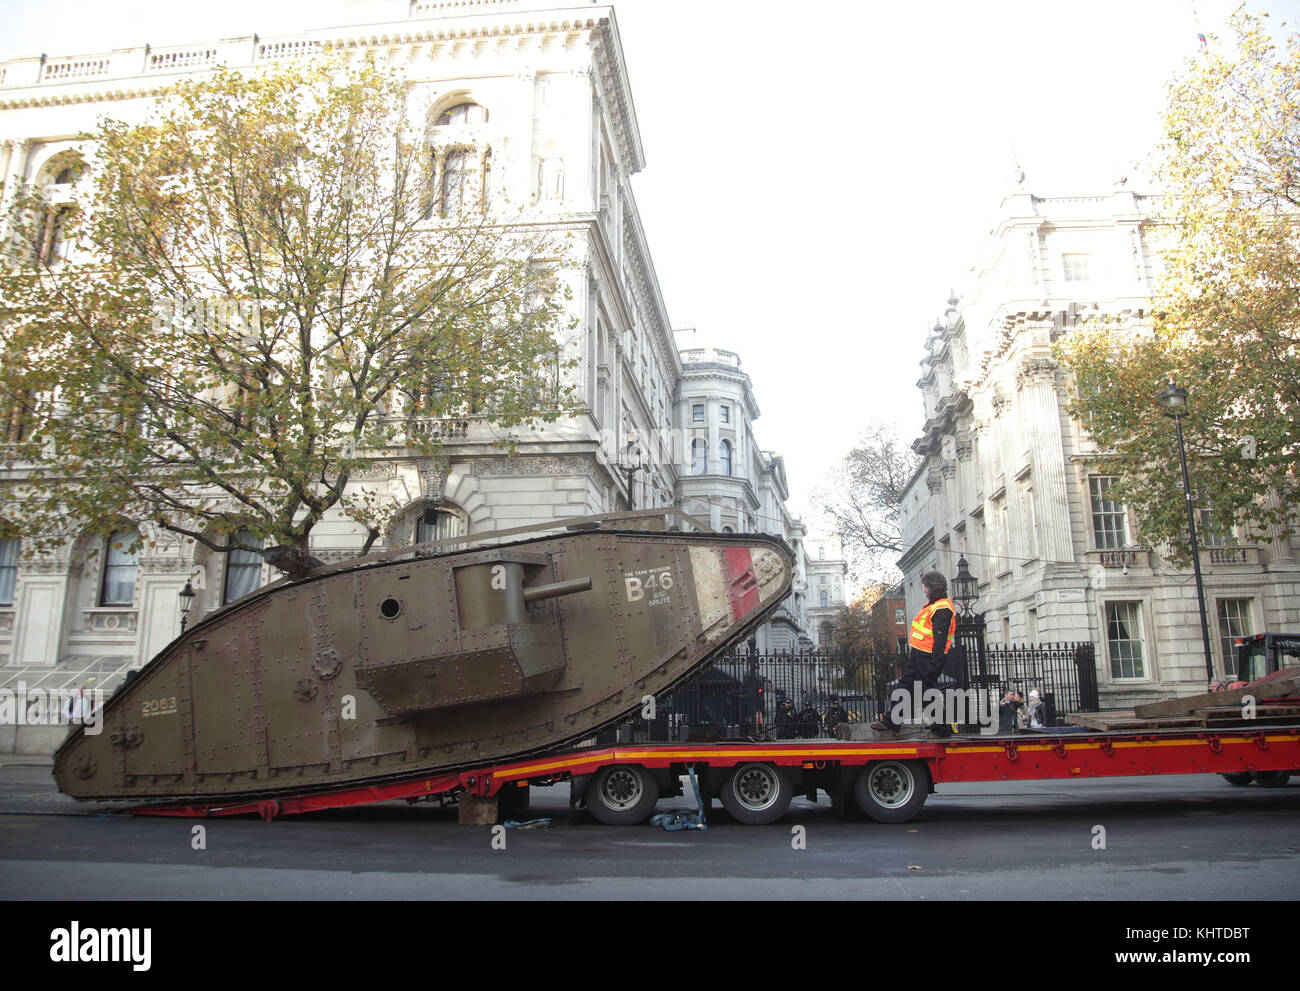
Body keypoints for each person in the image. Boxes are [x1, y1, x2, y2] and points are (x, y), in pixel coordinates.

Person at [871, 571, 956, 737]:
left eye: (926, 587)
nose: (924, 590)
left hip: (927, 657)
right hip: (920, 655)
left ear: (933, 588)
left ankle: (940, 727)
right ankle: (894, 722)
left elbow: (940, 639)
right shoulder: (935, 606)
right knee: (909, 688)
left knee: (924, 691)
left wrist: (935, 664)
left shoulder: (942, 609)